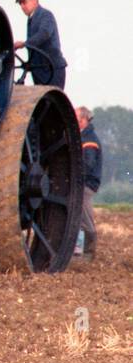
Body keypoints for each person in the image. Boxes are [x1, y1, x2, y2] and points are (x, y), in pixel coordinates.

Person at [12, 0, 67, 88]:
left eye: (24, 2)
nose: (22, 7)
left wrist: (24, 44)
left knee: (53, 100)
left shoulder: (45, 15)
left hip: (52, 69)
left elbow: (44, 34)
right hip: (39, 71)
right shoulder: (31, 19)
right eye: (20, 4)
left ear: (35, 0)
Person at [75, 106, 101, 259]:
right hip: (82, 183)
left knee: (85, 218)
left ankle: (89, 253)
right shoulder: (84, 137)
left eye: (76, 117)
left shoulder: (89, 140)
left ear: (84, 120)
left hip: (86, 185)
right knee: (79, 217)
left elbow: (88, 165)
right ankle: (78, 252)